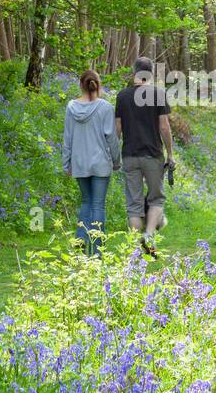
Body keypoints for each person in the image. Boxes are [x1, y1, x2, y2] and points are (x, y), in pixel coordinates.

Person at [114, 56, 175, 257]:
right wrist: (170, 154)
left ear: (134, 71)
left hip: (130, 155)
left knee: (134, 203)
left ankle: (134, 250)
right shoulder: (158, 94)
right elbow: (164, 126)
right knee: (156, 198)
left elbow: (118, 129)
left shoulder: (122, 96)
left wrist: (116, 154)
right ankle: (148, 235)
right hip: (153, 155)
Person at [62, 70, 121, 256]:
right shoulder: (105, 107)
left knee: (86, 203)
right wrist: (116, 160)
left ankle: (80, 244)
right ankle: (97, 252)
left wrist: (66, 164)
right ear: (98, 84)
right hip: (101, 163)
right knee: (98, 206)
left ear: (81, 85)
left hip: (79, 163)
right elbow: (111, 137)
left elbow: (67, 138)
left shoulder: (71, 107)